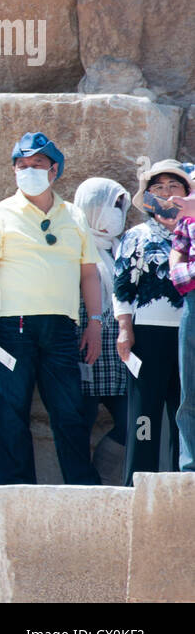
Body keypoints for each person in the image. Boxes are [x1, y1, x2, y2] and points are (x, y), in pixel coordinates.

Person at [0, 132, 102, 485]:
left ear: (54, 169)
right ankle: (10, 487)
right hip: (12, 327)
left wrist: (95, 323)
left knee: (69, 410)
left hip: (61, 329)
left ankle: (81, 487)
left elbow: (89, 273)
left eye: (37, 165)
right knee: (8, 409)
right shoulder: (0, 213)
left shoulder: (74, 215)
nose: (28, 171)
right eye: (22, 165)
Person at [116, 160, 190, 483]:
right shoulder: (137, 235)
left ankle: (181, 486)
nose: (166, 193)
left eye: (173, 186)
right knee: (144, 414)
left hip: (188, 335)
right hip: (148, 335)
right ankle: (137, 483)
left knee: (184, 412)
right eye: (158, 187)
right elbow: (122, 286)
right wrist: (124, 329)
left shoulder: (191, 234)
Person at [74, 177, 131, 483]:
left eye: (122, 207)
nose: (117, 213)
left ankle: (103, 480)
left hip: (116, 359)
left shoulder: (121, 249)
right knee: (78, 426)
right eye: (112, 206)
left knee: (133, 424)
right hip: (81, 353)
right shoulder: (72, 244)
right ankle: (84, 489)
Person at [171, 188, 195, 471]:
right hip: (192, 304)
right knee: (189, 392)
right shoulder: (186, 223)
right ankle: (190, 466)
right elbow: (175, 273)